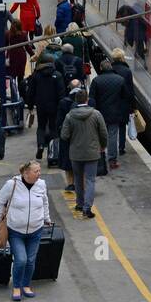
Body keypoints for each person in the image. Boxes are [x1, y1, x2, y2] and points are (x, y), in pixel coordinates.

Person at [0, 160, 52, 302]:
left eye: (39, 171)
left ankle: (26, 285)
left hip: (36, 230)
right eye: (36, 171)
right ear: (26, 173)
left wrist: (46, 218)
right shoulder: (12, 184)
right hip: (16, 231)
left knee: (31, 260)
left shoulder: (41, 184)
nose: (39, 174)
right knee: (21, 260)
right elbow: (1, 202)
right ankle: (17, 286)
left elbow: (45, 202)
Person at [60, 88, 106, 218]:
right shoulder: (96, 114)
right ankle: (87, 208)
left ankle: (79, 204)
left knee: (78, 179)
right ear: (87, 100)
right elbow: (103, 133)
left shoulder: (69, 116)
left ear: (76, 100)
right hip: (92, 152)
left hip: (75, 153)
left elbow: (64, 135)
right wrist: (103, 146)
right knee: (90, 180)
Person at [89, 60, 130, 171]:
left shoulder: (96, 80)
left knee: (99, 136)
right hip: (115, 113)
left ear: (101, 68)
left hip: (99, 113)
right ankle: (112, 160)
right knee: (112, 136)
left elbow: (91, 98)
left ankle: (98, 157)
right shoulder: (120, 80)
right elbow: (126, 97)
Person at [24, 52, 65, 161]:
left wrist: (30, 105)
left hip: (41, 106)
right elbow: (61, 93)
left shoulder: (36, 75)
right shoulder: (57, 75)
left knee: (41, 127)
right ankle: (54, 152)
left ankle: (41, 145)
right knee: (53, 128)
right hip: (54, 106)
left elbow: (30, 92)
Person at [55, 80, 82, 196]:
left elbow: (59, 122)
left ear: (69, 88)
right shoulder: (88, 101)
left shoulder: (63, 102)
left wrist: (60, 134)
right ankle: (79, 183)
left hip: (67, 136)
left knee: (67, 159)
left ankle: (70, 183)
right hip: (81, 137)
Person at [109, 48, 134, 156]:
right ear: (122, 57)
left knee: (112, 128)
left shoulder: (109, 69)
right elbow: (130, 90)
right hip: (123, 103)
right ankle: (121, 148)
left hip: (111, 102)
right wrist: (132, 106)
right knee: (122, 126)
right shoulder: (127, 71)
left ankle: (112, 149)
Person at [5, 22, 30, 86]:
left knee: (12, 76)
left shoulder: (8, 34)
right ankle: (21, 92)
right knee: (21, 76)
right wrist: (33, 54)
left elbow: (5, 45)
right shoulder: (24, 34)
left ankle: (14, 93)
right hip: (21, 56)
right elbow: (27, 46)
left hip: (11, 55)